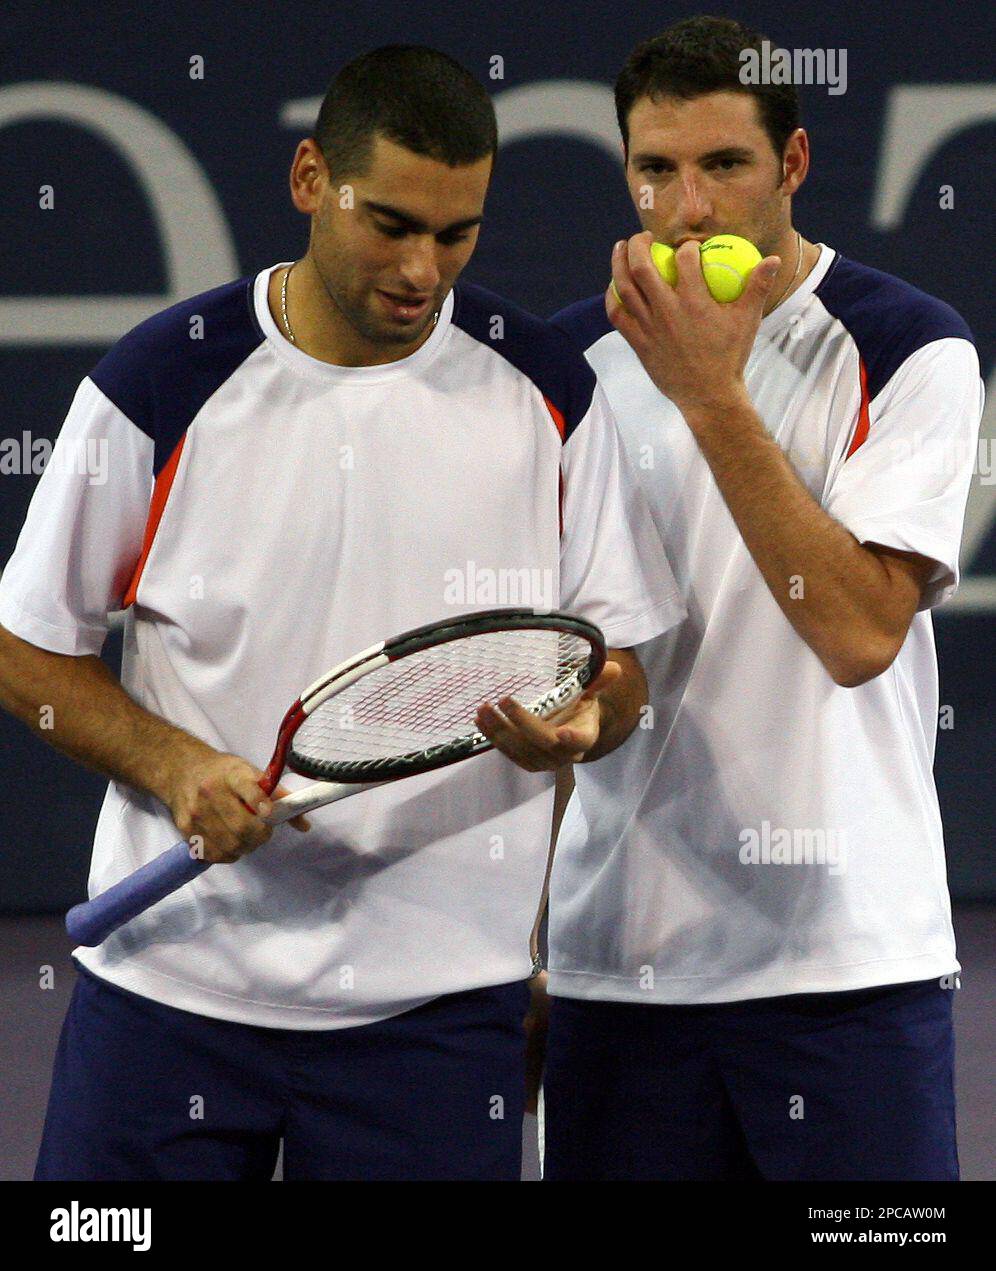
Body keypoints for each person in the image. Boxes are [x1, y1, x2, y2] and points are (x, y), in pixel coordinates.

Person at [0, 45, 683, 1181]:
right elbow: (23, 649)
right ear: (312, 179)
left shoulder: (550, 390)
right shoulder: (160, 382)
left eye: (457, 233)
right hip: (172, 990)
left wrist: (588, 725)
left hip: (437, 1007)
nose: (424, 268)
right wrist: (175, 766)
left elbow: (616, 667)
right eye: (393, 223)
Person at [542, 15, 984, 1181]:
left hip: (849, 975)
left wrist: (709, 397)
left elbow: (854, 630)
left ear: (791, 165)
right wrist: (528, 942)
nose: (688, 209)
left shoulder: (911, 351)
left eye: (724, 165)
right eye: (656, 171)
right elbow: (559, 670)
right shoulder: (562, 372)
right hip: (621, 970)